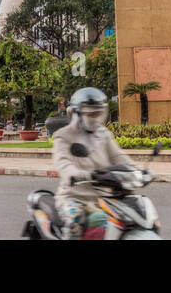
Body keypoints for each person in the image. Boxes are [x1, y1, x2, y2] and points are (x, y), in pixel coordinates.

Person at [51, 87, 130, 240]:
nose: (95, 118)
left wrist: (139, 171)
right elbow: (62, 163)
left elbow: (119, 157)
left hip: (105, 199)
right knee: (75, 222)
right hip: (74, 197)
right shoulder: (63, 136)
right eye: (90, 113)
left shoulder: (104, 135)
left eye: (98, 113)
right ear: (76, 114)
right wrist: (75, 174)